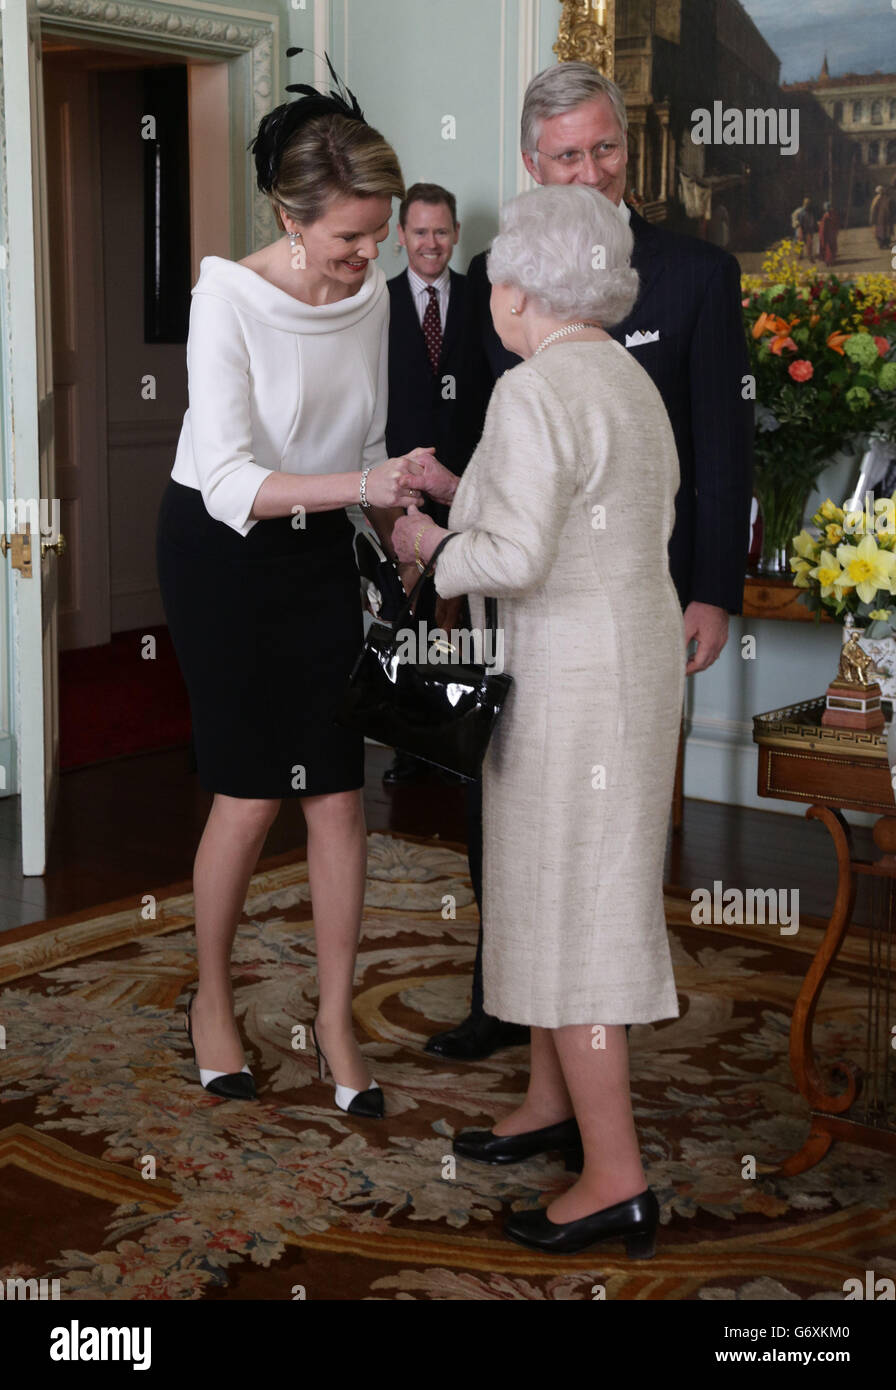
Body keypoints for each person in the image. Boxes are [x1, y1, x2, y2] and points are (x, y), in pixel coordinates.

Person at [426, 60, 754, 1063]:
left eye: (604, 147)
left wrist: (711, 590)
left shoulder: (696, 273)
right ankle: (506, 995)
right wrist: (459, 558)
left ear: (624, 144)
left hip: (627, 603)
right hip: (522, 605)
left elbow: (719, 449)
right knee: (506, 801)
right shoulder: (497, 277)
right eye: (567, 154)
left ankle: (585, 1018)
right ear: (534, 162)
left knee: (601, 828)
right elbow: (490, 442)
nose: (592, 168)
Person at [394, 183, 684, 1257]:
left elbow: (514, 556)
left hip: (571, 677)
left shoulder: (529, 387)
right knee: (570, 889)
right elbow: (574, 513)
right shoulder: (623, 377)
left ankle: (615, 1176)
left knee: (574, 913)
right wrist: (461, 487)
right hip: (631, 664)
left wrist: (428, 546)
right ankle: (548, 1106)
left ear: (520, 288)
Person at [156, 60, 423, 1117]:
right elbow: (228, 479)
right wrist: (363, 483)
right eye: (352, 236)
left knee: (338, 793)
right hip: (221, 551)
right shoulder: (224, 297)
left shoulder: (363, 300)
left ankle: (339, 1017)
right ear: (290, 214)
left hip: (317, 546)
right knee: (250, 787)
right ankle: (212, 1001)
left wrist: (399, 523)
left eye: (381, 232)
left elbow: (362, 443)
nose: (371, 256)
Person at [382, 182, 479, 785]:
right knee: (408, 615)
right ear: (400, 236)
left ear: (456, 235)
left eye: (441, 231)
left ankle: (462, 746)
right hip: (399, 484)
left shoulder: (483, 297)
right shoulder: (375, 299)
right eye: (419, 232)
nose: (431, 243)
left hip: (467, 483)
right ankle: (410, 749)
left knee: (463, 616)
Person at [871, 185, 894, 251]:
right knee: (881, 231)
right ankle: (882, 243)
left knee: (885, 231)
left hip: (885, 218)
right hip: (880, 218)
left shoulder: (887, 199)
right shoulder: (877, 199)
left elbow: (891, 208)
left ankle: (885, 243)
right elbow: (874, 210)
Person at [818, 200, 839, 266]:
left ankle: (829, 261)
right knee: (832, 247)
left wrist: (819, 224)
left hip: (827, 234)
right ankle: (831, 261)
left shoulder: (826, 216)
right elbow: (836, 224)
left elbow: (823, 227)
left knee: (828, 247)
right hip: (832, 233)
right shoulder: (833, 214)